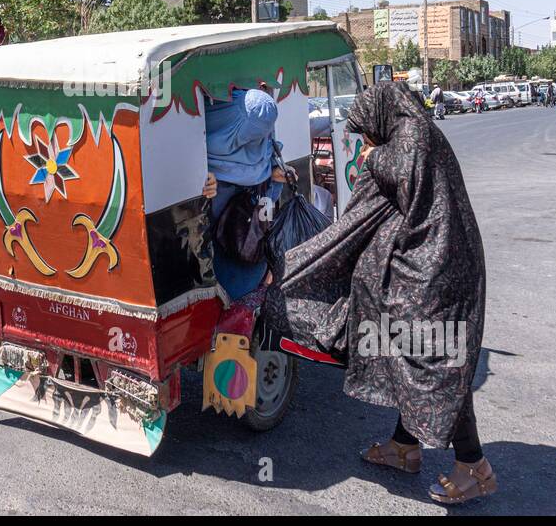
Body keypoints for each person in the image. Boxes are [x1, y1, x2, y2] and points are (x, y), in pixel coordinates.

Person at [265, 83, 493, 504]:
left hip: (437, 274)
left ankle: (474, 466)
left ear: (383, 117)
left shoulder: (411, 138)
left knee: (436, 360)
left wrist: (375, 156)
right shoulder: (412, 133)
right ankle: (404, 446)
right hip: (432, 267)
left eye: (366, 132)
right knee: (407, 354)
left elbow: (402, 174)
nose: (364, 141)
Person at [200, 88, 290, 301]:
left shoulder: (263, 151)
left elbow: (266, 205)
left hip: (246, 261)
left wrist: (275, 180)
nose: (253, 139)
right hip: (236, 261)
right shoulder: (199, 155)